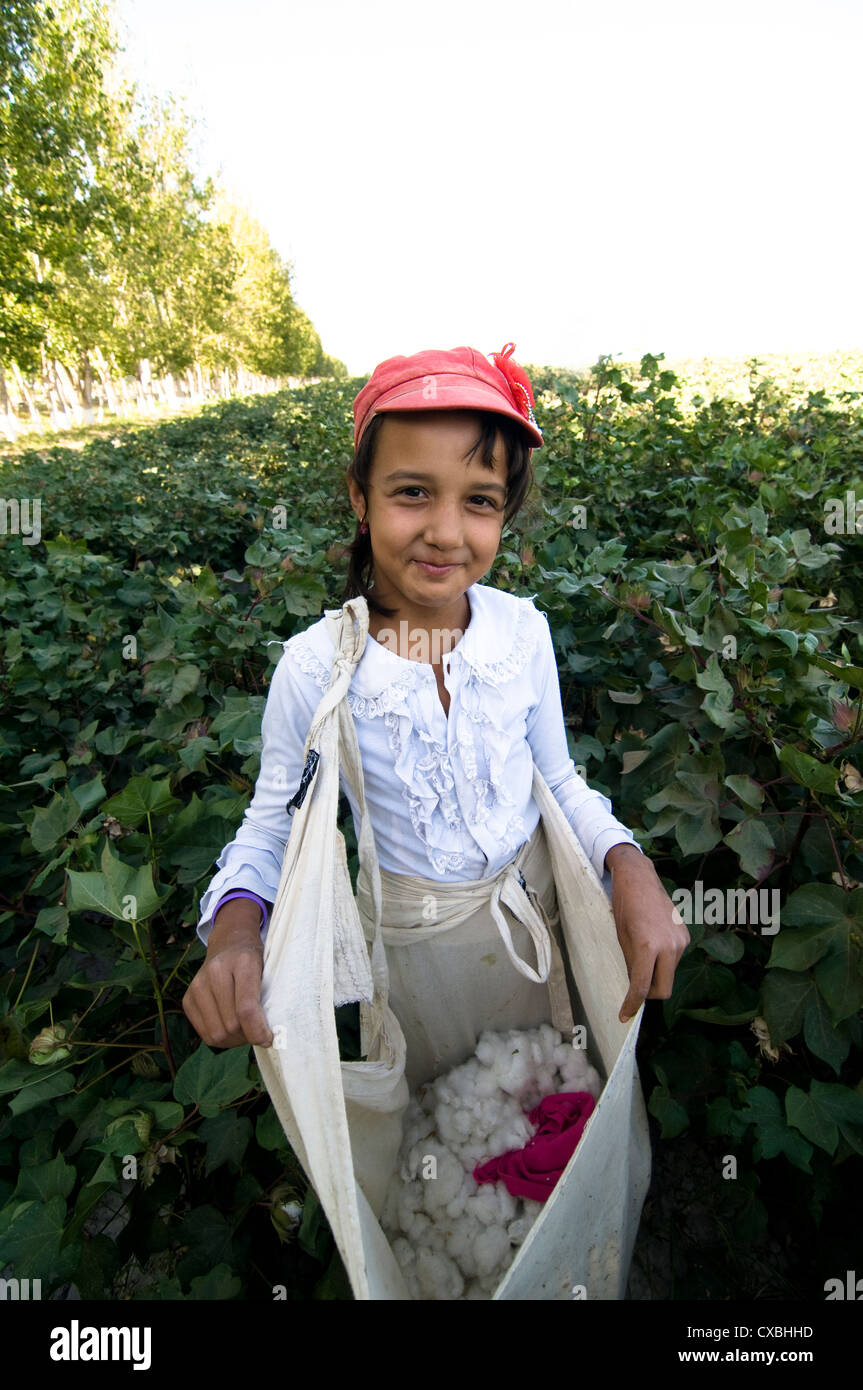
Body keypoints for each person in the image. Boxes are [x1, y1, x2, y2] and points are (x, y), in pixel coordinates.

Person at [182, 344, 688, 1053]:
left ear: (504, 511)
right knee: (444, 1106)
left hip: (539, 918)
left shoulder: (520, 633)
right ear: (360, 497)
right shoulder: (315, 667)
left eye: (479, 500)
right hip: (414, 952)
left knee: (549, 1089)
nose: (446, 533)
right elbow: (274, 825)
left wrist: (627, 866)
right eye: (411, 492)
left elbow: (558, 779)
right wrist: (235, 934)